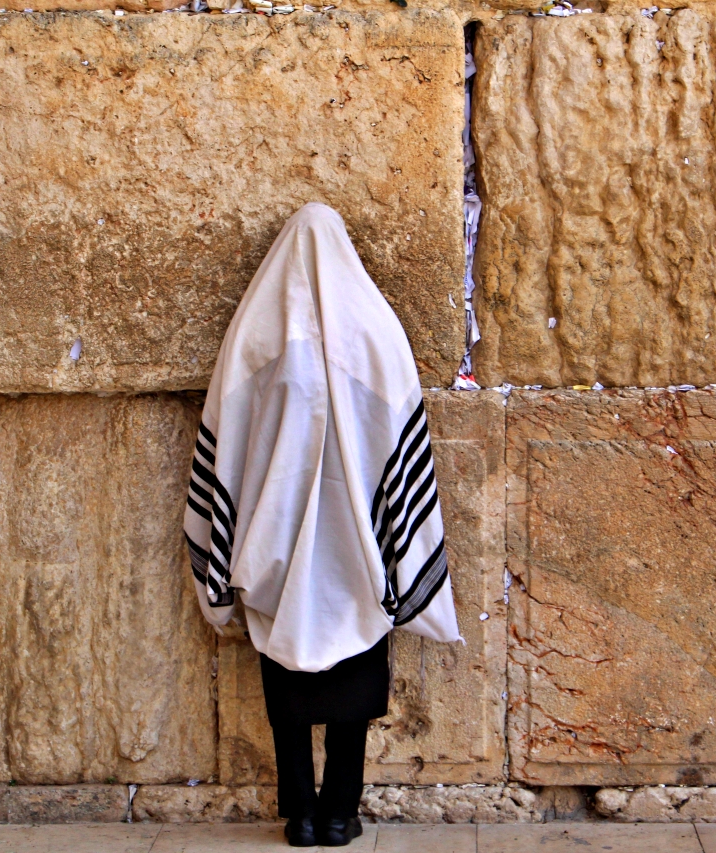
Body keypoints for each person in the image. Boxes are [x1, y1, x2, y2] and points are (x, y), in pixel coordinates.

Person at [184, 203, 463, 846]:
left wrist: (222, 568)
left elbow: (225, 449)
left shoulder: (254, 336)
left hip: (275, 549)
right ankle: (340, 812)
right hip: (357, 551)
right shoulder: (376, 333)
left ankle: (301, 816)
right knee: (353, 688)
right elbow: (401, 442)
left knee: (286, 691)